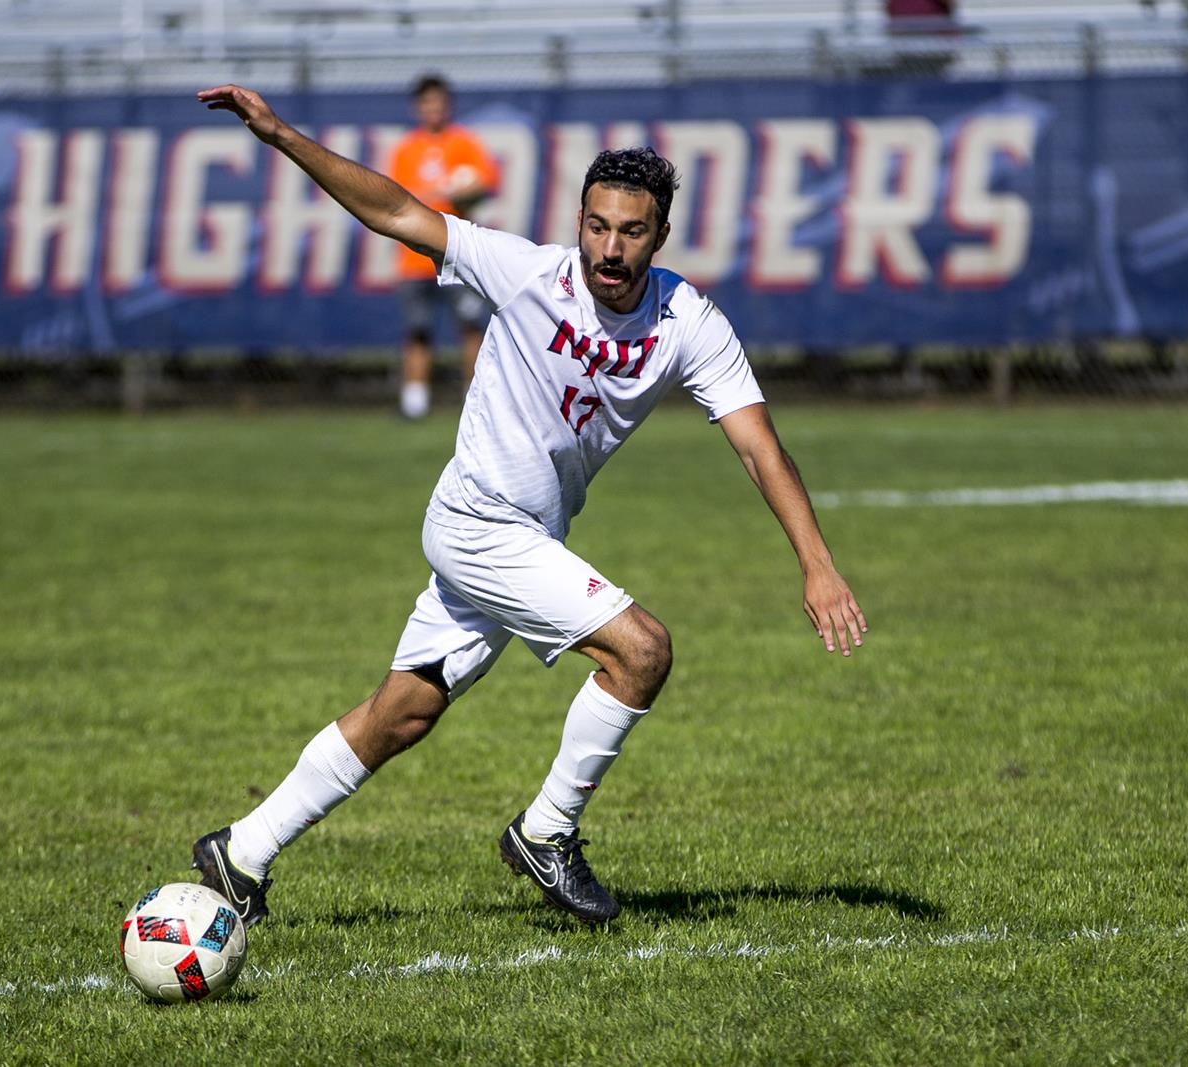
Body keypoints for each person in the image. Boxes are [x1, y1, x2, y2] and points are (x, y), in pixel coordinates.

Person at [191, 83, 869, 927]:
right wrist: (280, 134)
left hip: (528, 535)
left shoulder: (688, 322)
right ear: (578, 219)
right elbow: (398, 212)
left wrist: (818, 564)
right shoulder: (527, 273)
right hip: (479, 522)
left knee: (403, 711)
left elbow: (759, 444)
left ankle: (242, 849)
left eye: (630, 231)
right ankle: (546, 832)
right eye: (596, 225)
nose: (608, 248)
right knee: (642, 651)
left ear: (659, 235)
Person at [387, 75, 500, 419]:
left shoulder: (463, 143)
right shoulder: (406, 149)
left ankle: (474, 400)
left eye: (438, 101)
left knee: (470, 327)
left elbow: (485, 182)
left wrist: (460, 192)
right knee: (417, 331)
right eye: (427, 102)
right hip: (414, 258)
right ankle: (415, 402)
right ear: (417, 107)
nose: (433, 109)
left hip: (456, 252)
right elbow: (394, 199)